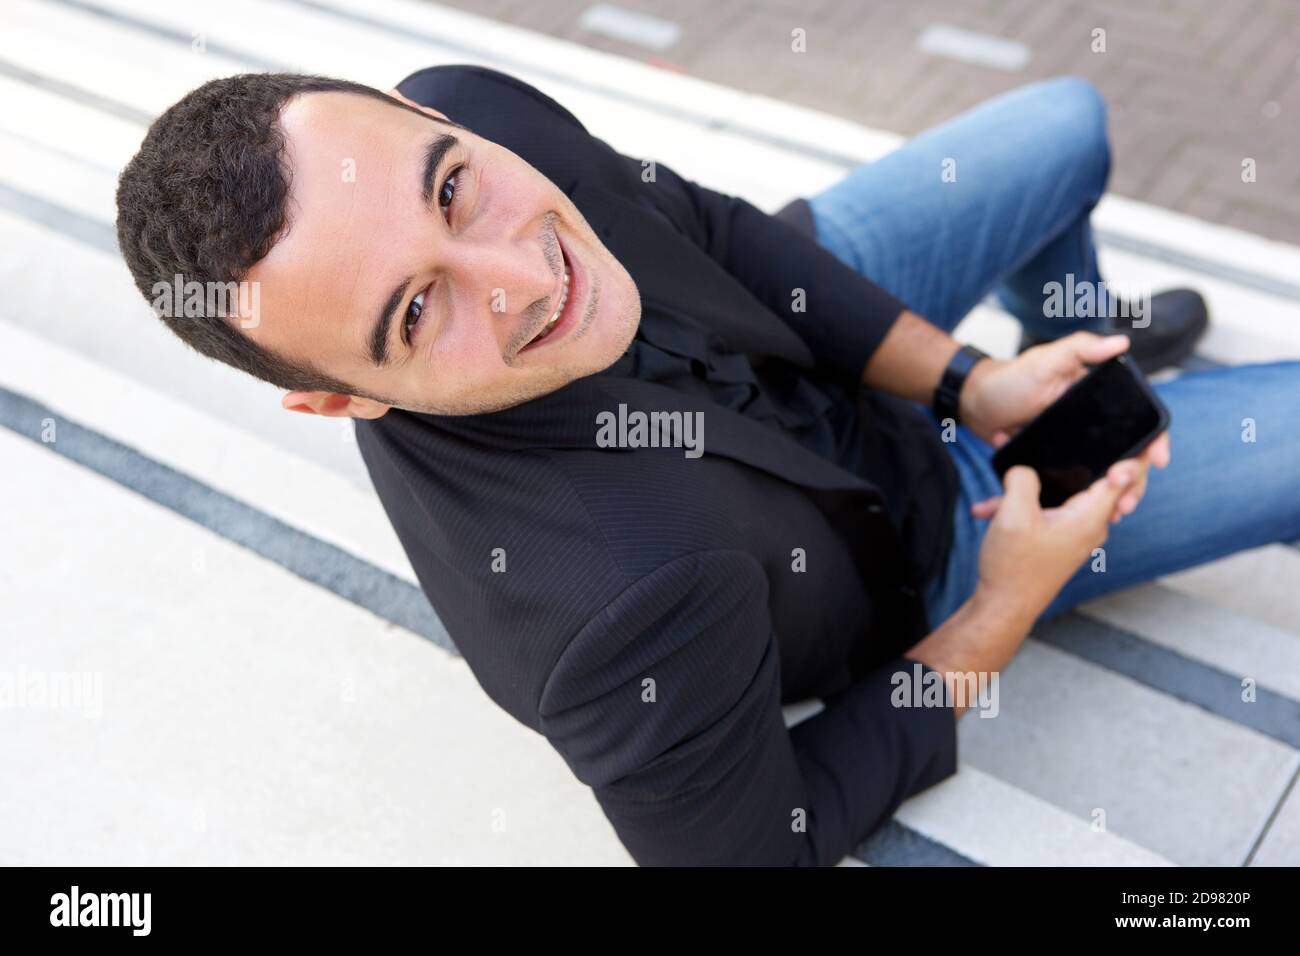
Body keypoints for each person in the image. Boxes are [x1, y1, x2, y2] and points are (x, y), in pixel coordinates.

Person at [114, 64, 1299, 866]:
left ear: (433, 123)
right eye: (419, 309)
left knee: (1065, 118)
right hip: (936, 540)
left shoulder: (470, 110)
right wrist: (1001, 603)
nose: (526, 276)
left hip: (781, 325)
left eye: (454, 188)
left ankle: (1062, 338)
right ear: (340, 396)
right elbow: (762, 846)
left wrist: (967, 380)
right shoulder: (609, 614)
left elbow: (715, 231)